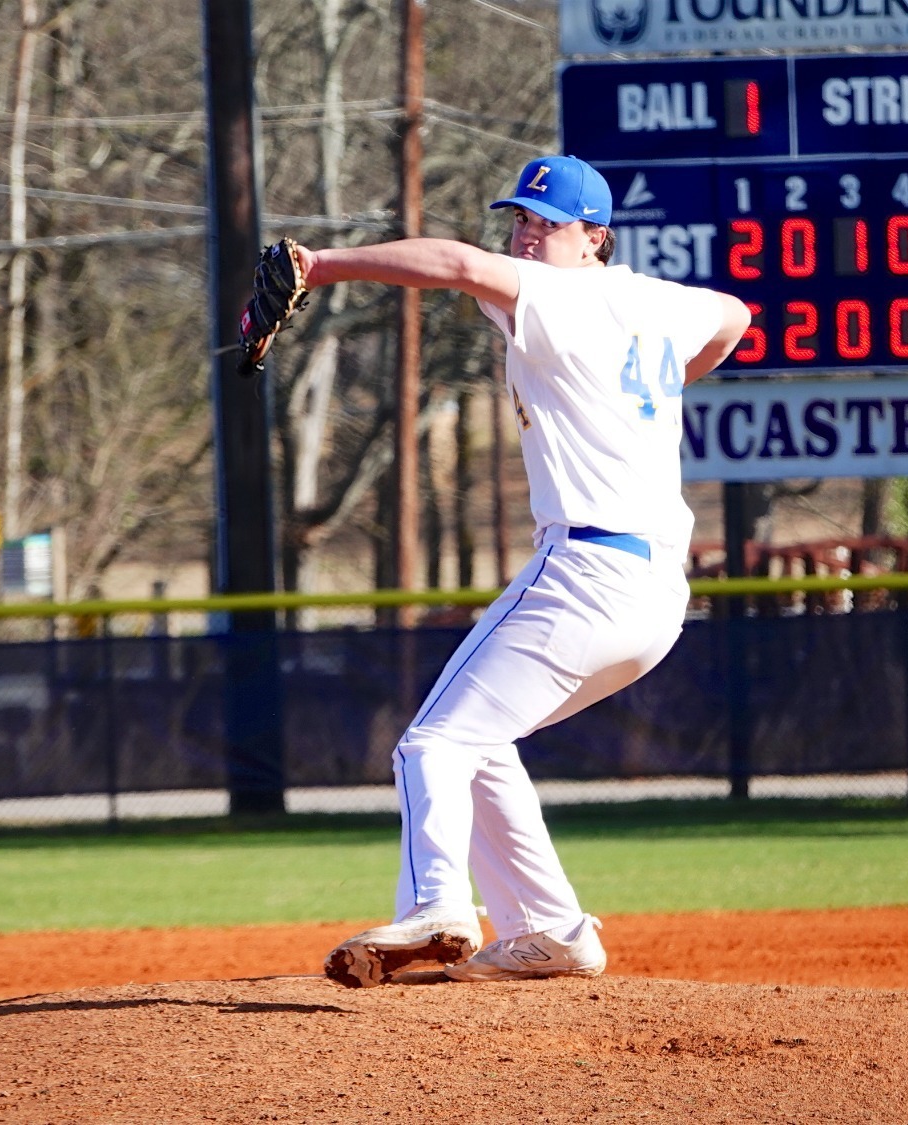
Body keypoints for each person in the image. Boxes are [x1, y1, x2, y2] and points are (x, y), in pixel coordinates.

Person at [296, 154, 751, 987]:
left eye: (548, 223)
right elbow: (735, 313)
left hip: (586, 567)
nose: (527, 235)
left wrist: (319, 266)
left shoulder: (559, 293)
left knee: (429, 742)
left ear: (594, 238)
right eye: (521, 219)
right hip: (656, 595)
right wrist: (663, 382)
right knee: (479, 740)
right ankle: (552, 930)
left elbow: (459, 266)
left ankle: (438, 903)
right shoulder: (658, 302)